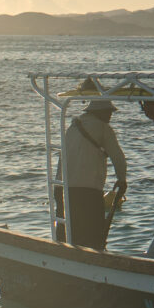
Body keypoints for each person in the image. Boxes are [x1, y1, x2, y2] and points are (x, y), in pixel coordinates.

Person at [56, 92, 127, 251]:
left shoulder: (73, 126)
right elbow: (118, 158)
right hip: (87, 190)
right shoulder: (103, 128)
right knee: (93, 237)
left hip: (62, 187)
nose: (110, 116)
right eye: (109, 112)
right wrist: (122, 180)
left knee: (66, 234)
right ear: (101, 112)